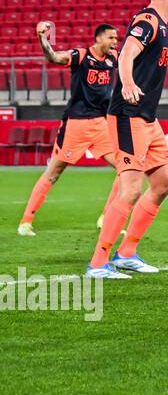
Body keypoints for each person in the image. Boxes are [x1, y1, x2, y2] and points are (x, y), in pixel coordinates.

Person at [86, 0, 168, 279]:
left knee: (163, 185)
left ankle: (126, 254)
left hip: (148, 120)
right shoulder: (148, 21)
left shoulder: (160, 27)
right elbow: (126, 53)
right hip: (128, 115)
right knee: (131, 190)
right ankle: (98, 263)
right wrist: (126, 83)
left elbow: (153, 57)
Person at [18, 22, 121, 236]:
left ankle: (106, 218)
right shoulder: (81, 56)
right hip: (76, 123)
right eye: (111, 38)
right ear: (99, 38)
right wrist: (42, 38)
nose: (114, 42)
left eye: (116, 39)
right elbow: (53, 57)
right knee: (54, 172)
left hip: (101, 124)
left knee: (125, 170)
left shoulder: (113, 59)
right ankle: (25, 221)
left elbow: (141, 60)